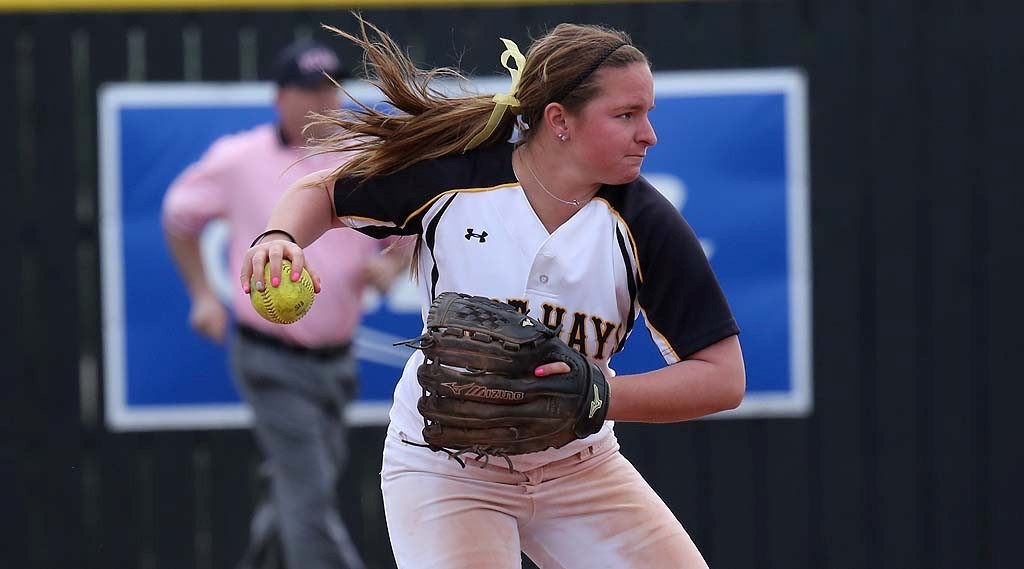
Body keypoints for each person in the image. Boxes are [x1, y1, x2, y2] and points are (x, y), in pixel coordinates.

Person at [240, 17, 746, 569]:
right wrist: (279, 236)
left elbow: (723, 377)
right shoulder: (459, 177)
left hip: (581, 467)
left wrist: (600, 396)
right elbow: (326, 193)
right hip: (445, 468)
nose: (649, 133)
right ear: (559, 121)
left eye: (648, 113)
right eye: (626, 115)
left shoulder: (644, 222)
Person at [162, 39, 406, 569]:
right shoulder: (239, 158)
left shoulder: (360, 158)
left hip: (337, 362)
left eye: (331, 86)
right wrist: (203, 294)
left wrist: (391, 265)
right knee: (310, 493)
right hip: (270, 358)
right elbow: (180, 218)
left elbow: (410, 230)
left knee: (298, 493)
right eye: (308, 88)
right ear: (279, 97)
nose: (323, 99)